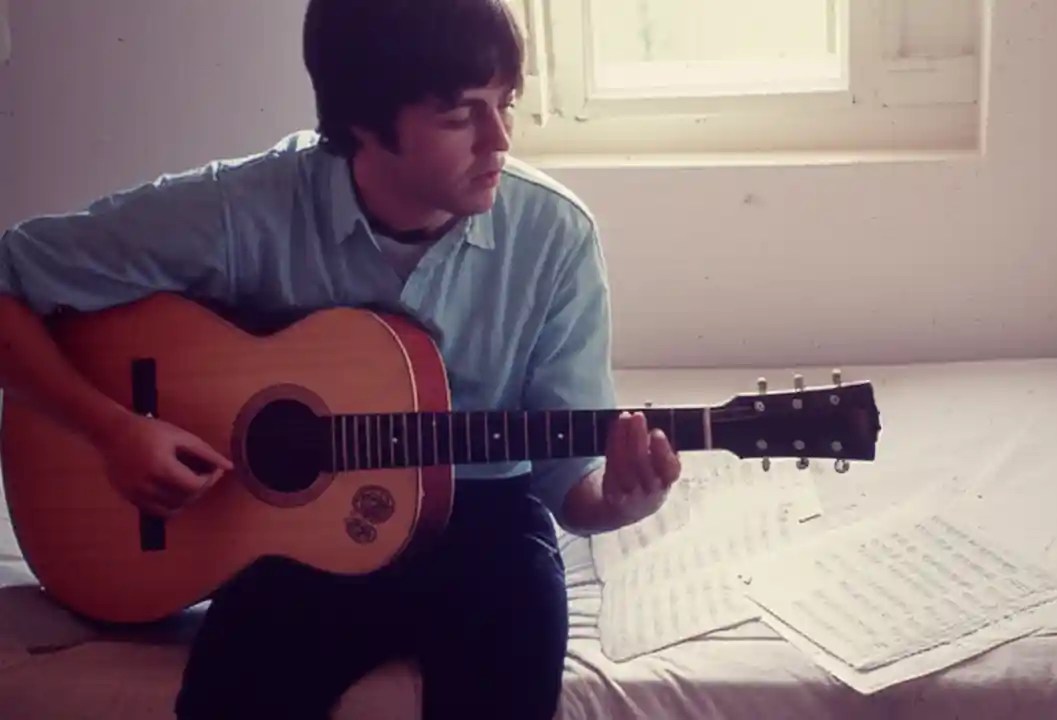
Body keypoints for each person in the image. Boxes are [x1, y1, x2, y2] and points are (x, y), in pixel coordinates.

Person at [0, 0, 682, 718]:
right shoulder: (240, 209)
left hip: (484, 524)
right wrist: (111, 430)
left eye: (505, 103)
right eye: (461, 116)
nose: (500, 141)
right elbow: (11, 276)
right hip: (288, 543)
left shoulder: (555, 236)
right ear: (363, 119)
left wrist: (618, 502)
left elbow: (566, 481)